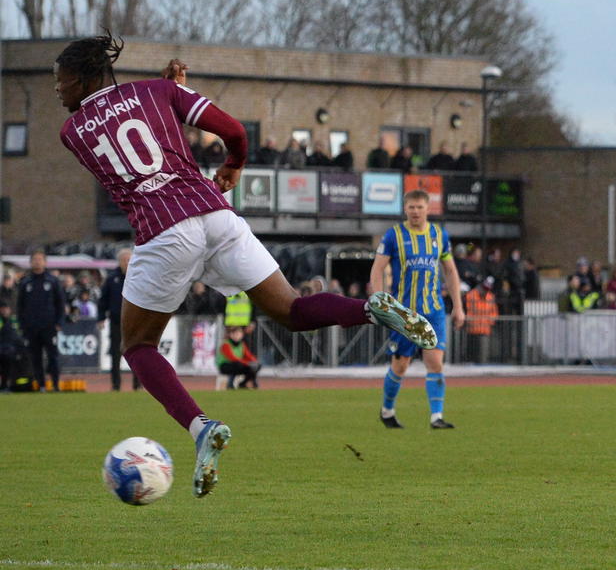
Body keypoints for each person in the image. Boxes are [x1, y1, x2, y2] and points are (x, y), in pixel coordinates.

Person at [55, 33, 437, 498]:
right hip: (217, 215)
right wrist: (232, 162)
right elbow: (234, 131)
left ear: (78, 78)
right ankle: (372, 308)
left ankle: (201, 429)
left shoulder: (72, 131)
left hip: (163, 231)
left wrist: (159, 99)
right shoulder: (159, 92)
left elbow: (124, 134)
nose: (58, 92)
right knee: (292, 311)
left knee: (137, 346)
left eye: (60, 82)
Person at [370, 189, 464, 430]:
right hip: (404, 313)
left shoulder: (439, 235)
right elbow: (377, 269)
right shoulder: (394, 236)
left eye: (419, 207)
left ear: (428, 208)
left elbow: (450, 271)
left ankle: (436, 417)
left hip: (433, 309)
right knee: (400, 365)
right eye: (411, 207)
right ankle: (387, 410)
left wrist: (458, 307)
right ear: (405, 209)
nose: (415, 211)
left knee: (435, 362)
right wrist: (381, 303)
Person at [17, 250, 66, 392]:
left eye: (40, 259)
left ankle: (56, 385)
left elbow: (60, 304)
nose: (37, 262)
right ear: (31, 262)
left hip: (49, 326)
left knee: (53, 357)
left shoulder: (52, 281)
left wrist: (59, 323)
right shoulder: (25, 282)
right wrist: (22, 325)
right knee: (35, 358)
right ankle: (41, 385)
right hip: (31, 328)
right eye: (35, 259)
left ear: (45, 262)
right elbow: (20, 306)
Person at [98, 248, 135, 391]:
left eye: (129, 259)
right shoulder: (111, 279)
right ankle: (115, 385)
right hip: (116, 321)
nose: (127, 262)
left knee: (138, 354)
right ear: (119, 262)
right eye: (124, 260)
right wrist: (101, 318)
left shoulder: (139, 276)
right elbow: (103, 301)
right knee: (115, 354)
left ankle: (137, 385)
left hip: (135, 322)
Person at [464, 276, 498, 364]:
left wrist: (490, 322)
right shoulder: (471, 295)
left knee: (483, 354)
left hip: (485, 329)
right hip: (472, 329)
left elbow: (494, 312)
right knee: (471, 352)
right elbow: (467, 309)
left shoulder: (490, 297)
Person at [216, 325, 260, 390]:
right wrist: (246, 363)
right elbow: (232, 358)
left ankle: (243, 384)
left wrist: (255, 361)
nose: (237, 336)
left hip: (239, 363)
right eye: (236, 334)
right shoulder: (226, 344)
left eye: (239, 334)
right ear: (231, 335)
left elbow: (248, 355)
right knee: (237, 365)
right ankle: (230, 384)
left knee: (255, 367)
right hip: (225, 366)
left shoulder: (241, 344)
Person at [0, 300, 22, 392]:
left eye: (6, 309)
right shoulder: (1, 321)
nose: (5, 311)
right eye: (3, 309)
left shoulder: (14, 320)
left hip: (12, 350)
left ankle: (8, 386)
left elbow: (18, 336)